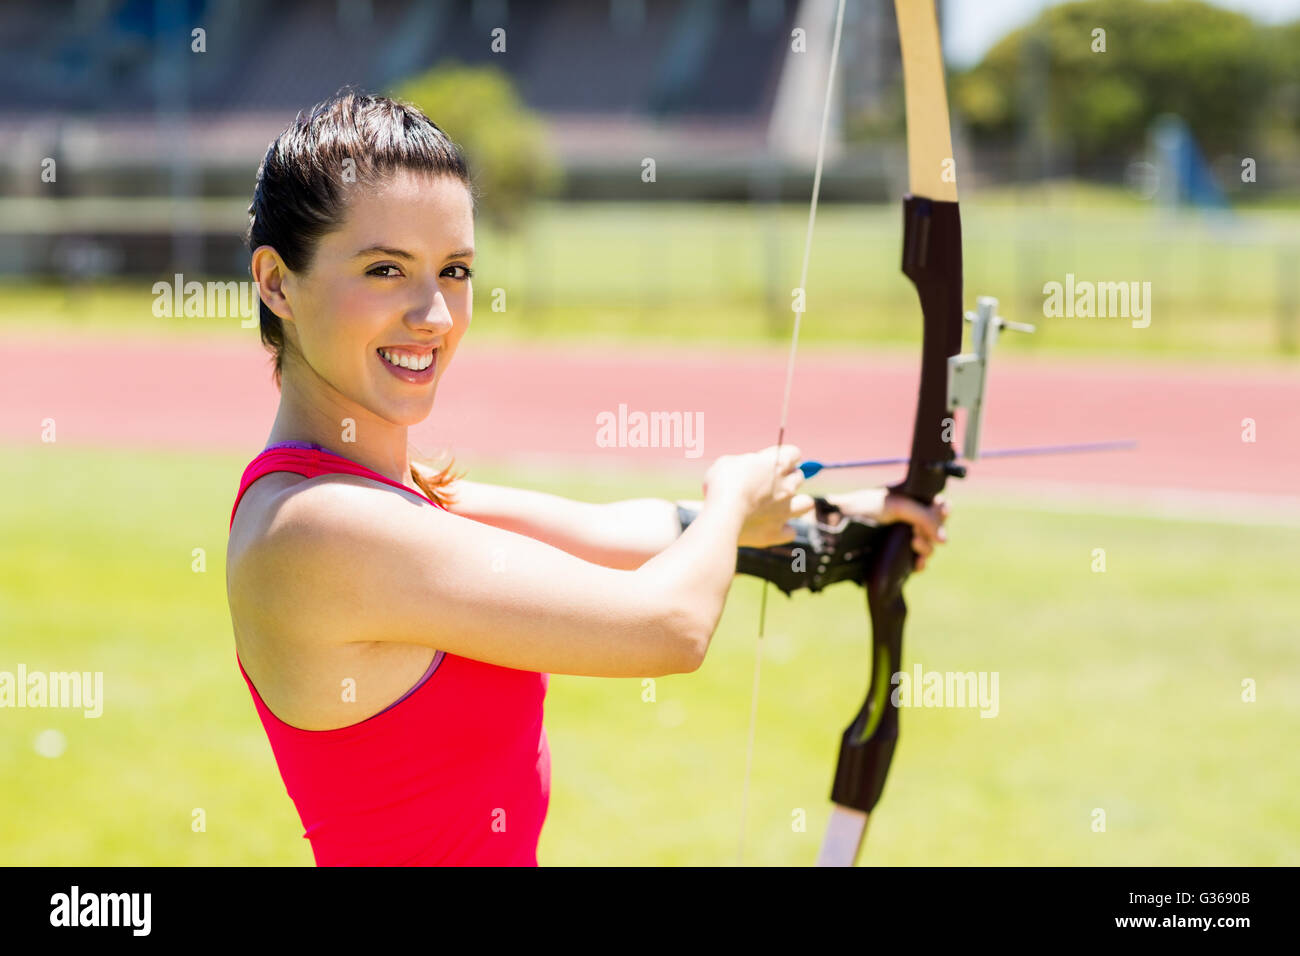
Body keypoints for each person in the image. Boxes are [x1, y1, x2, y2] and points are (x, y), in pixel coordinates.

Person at [226, 91, 947, 866]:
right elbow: (668, 627)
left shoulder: (404, 499)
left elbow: (620, 535)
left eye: (456, 270)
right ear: (276, 283)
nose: (434, 313)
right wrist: (733, 498)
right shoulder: (314, 528)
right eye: (384, 269)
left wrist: (849, 516)